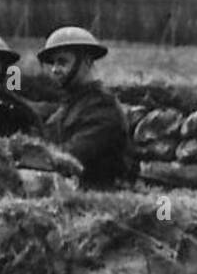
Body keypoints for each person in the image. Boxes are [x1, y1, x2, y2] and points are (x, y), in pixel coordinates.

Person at [35, 27, 130, 187]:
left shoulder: (102, 107)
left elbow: (69, 158)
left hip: (97, 199)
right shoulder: (71, 104)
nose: (54, 69)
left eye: (62, 62)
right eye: (53, 63)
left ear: (86, 61)